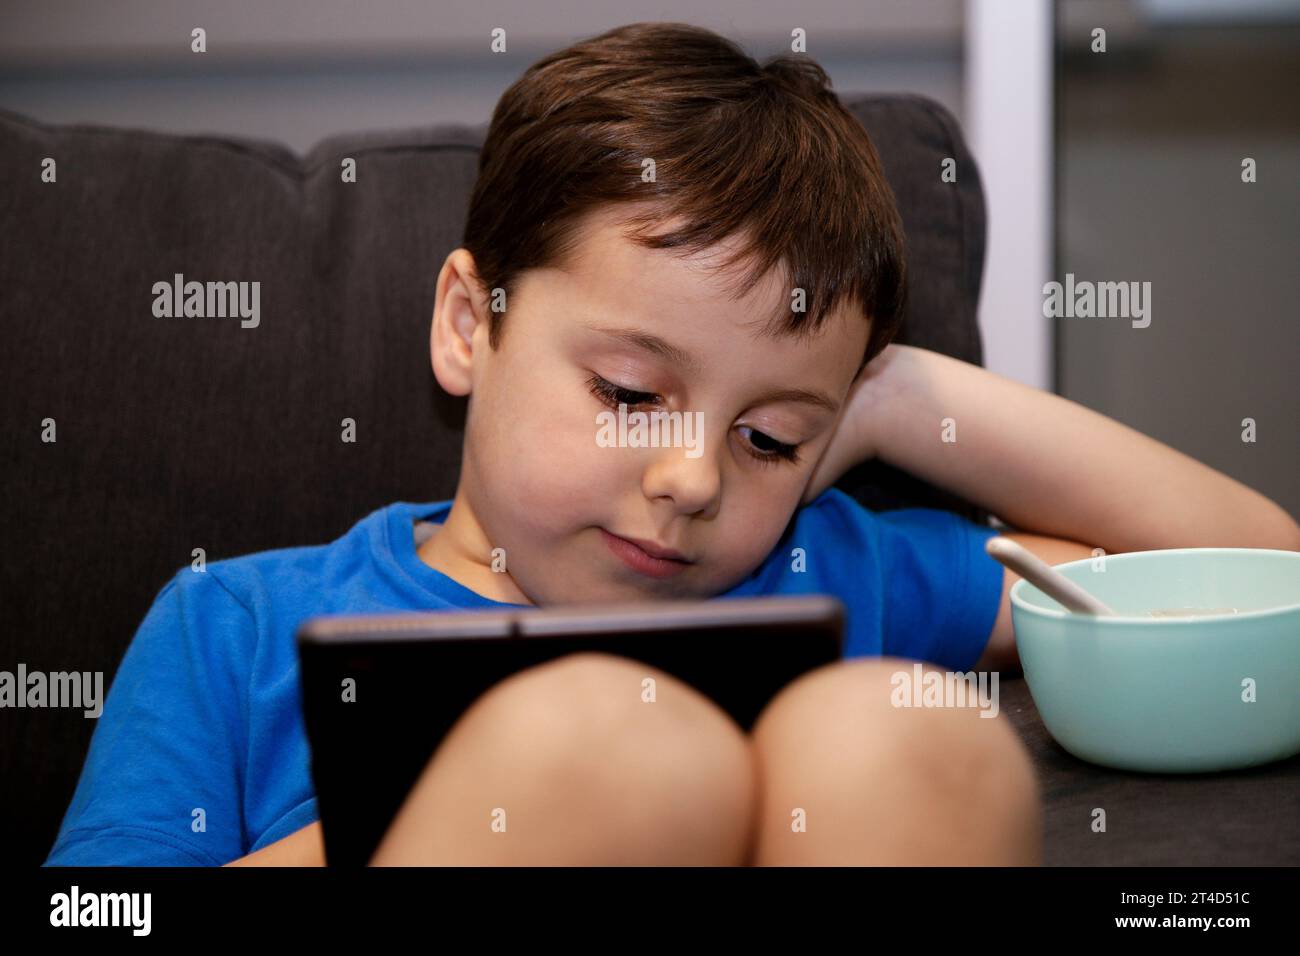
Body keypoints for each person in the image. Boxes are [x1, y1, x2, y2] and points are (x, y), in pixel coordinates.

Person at [44, 22, 1298, 868]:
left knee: (912, 730)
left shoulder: (819, 567)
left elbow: (1253, 567)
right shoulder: (234, 624)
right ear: (469, 324)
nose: (694, 478)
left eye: (765, 434)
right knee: (605, 733)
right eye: (630, 389)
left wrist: (902, 399)